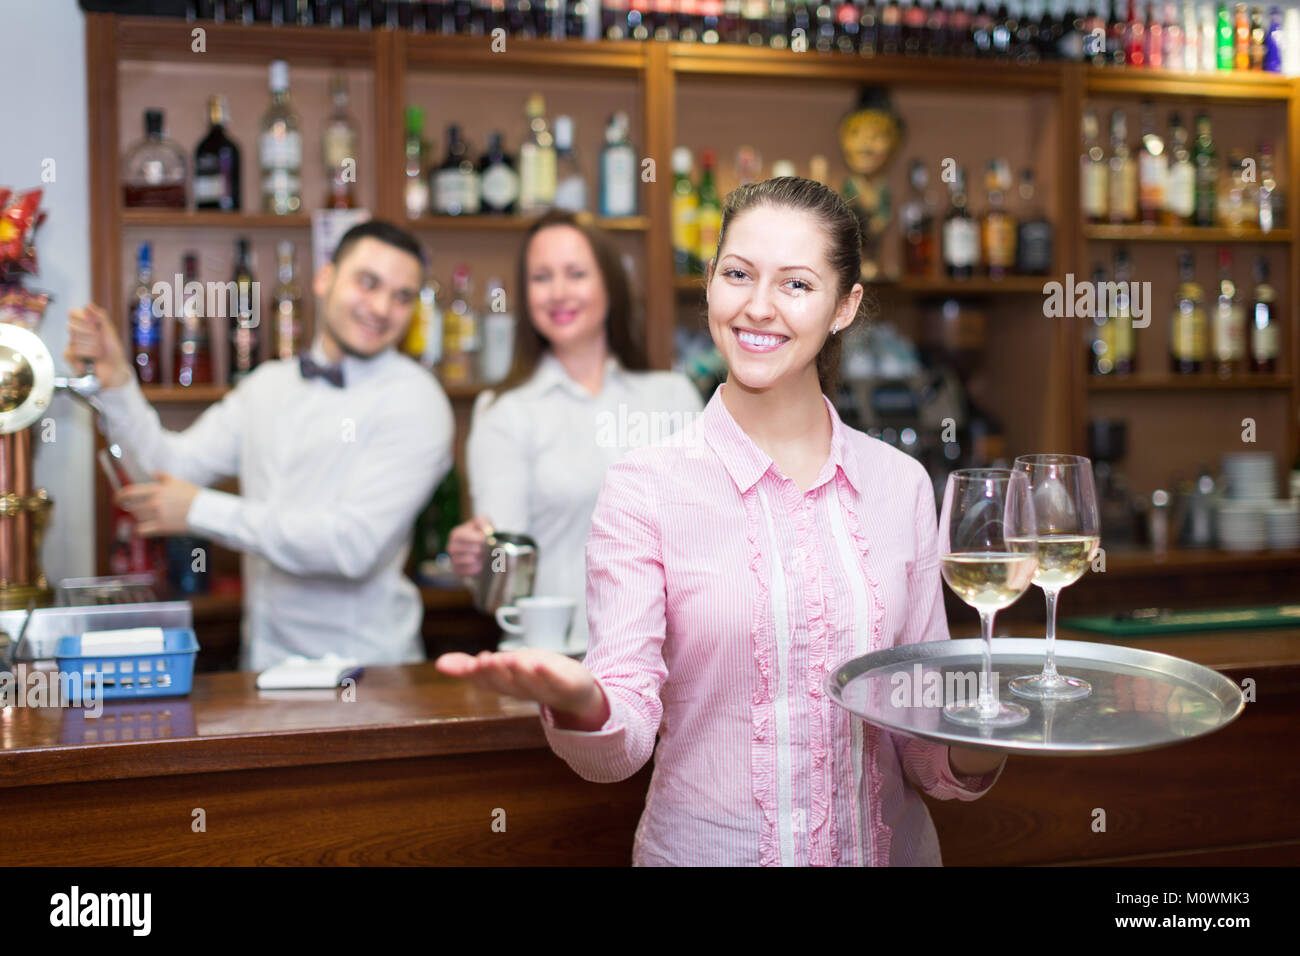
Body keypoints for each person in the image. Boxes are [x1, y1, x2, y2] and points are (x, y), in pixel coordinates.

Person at [437, 178, 1008, 866]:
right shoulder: (643, 489)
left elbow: (921, 741)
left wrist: (992, 728)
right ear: (709, 283)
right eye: (738, 274)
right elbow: (618, 747)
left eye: (796, 284)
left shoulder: (901, 486)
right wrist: (584, 700)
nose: (758, 307)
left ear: (845, 306)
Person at [65, 220, 453, 671]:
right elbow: (167, 470)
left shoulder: (417, 400)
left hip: (369, 675)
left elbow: (352, 546)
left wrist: (200, 510)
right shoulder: (266, 385)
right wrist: (116, 383)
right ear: (325, 278)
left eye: (402, 296)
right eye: (368, 283)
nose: (383, 307)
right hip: (262, 668)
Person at [447, 210, 703, 654]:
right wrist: (478, 560)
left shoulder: (672, 397)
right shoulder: (505, 412)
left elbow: (710, 537)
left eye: (576, 274)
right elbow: (503, 574)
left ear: (610, 285)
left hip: (670, 664)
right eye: (541, 277)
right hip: (556, 661)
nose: (559, 292)